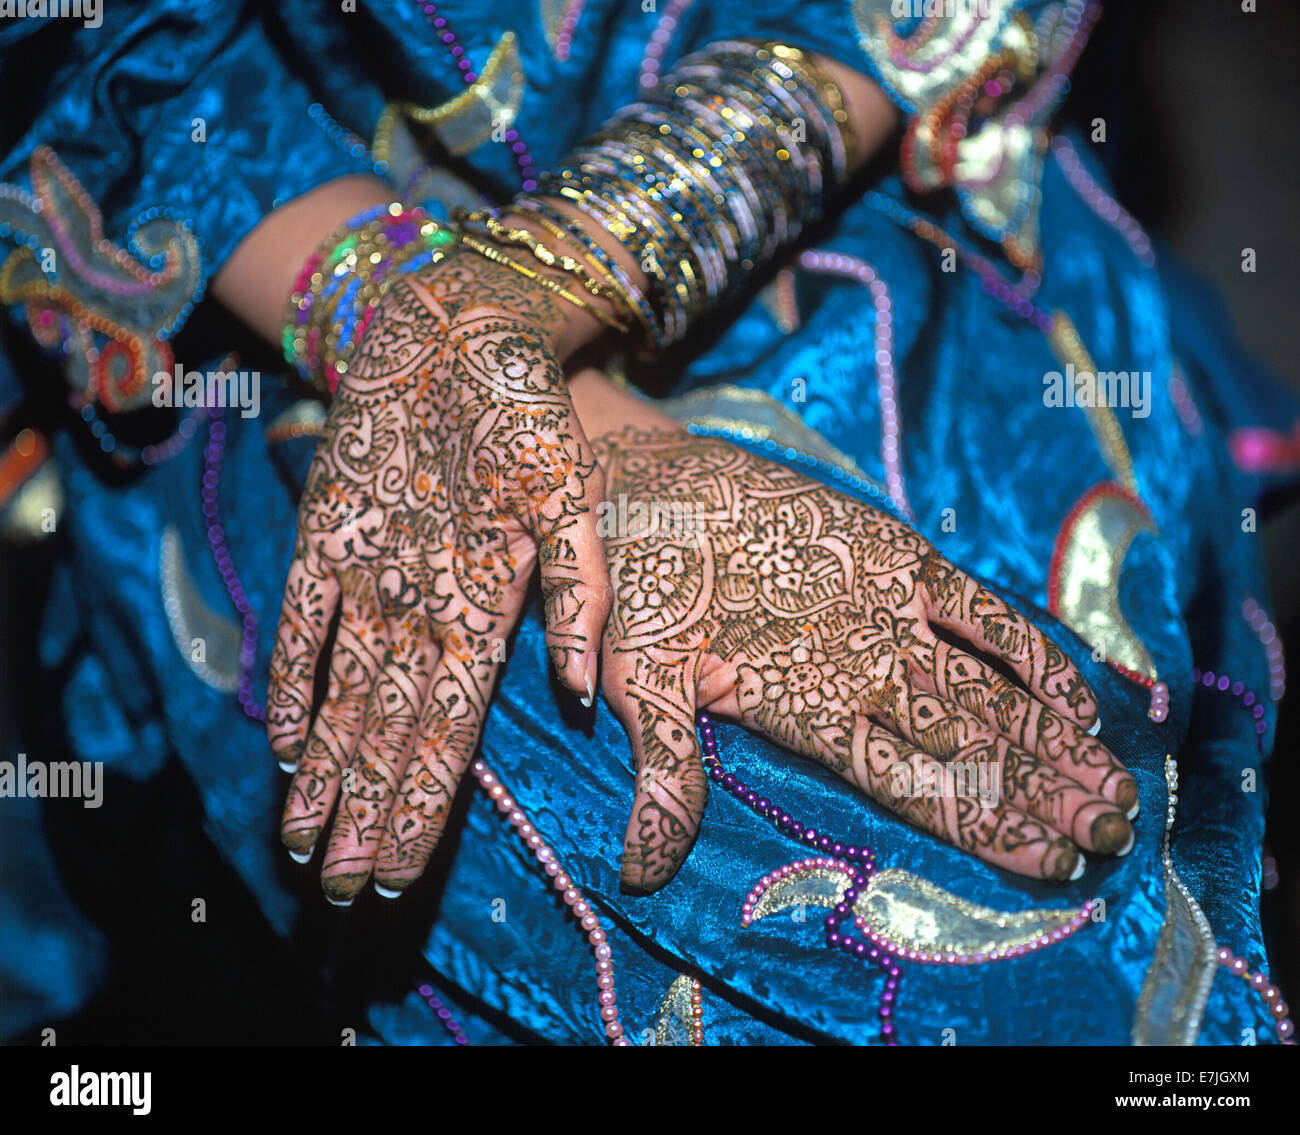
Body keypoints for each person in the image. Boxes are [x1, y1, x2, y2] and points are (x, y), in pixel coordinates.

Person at [0, 0, 1294, 1045]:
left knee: (1058, 817)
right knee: (748, 841)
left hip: (853, 141)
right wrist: (478, 352)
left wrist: (552, 283)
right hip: (279, 234)